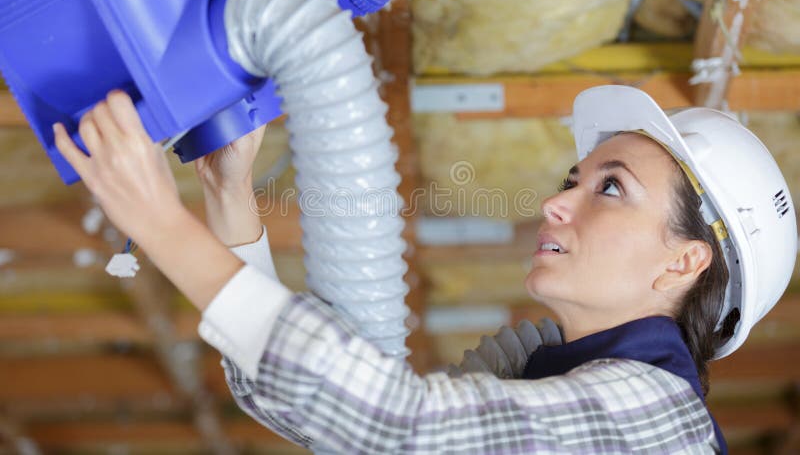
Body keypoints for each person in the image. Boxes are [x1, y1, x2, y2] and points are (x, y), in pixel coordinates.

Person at [52, 85, 796, 454]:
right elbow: (323, 413)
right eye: (575, 178)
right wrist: (227, 192)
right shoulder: (557, 384)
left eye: (610, 188)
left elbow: (394, 424)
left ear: (685, 260)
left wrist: (158, 221)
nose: (556, 202)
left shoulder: (653, 416)